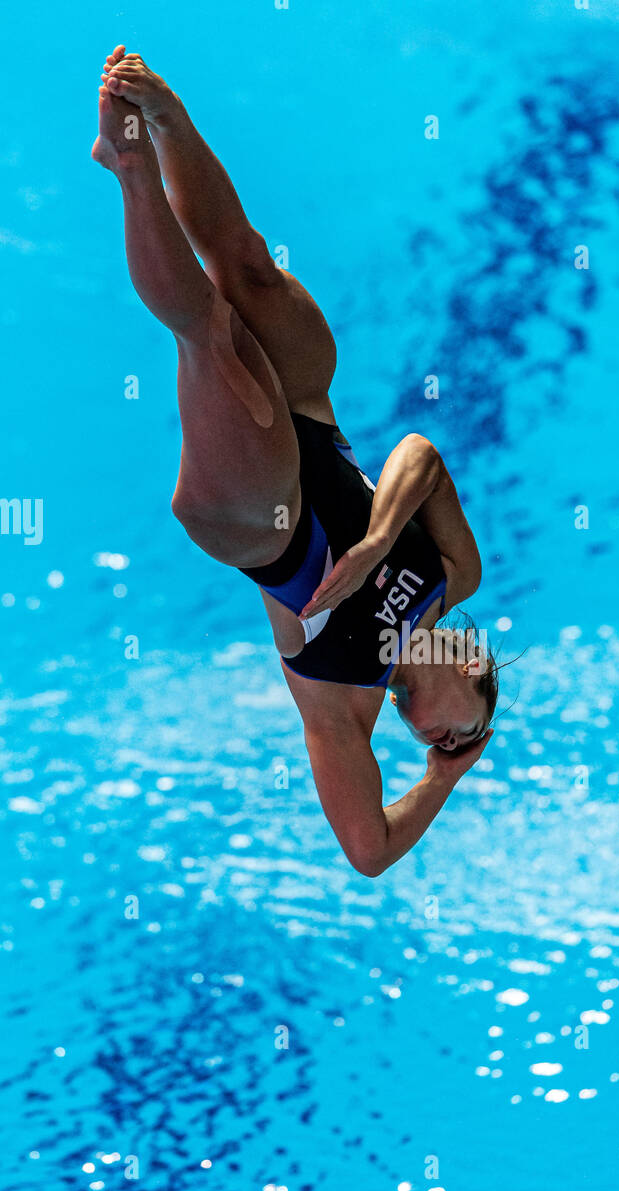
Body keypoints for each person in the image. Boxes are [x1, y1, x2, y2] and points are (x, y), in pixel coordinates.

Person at [93, 47, 498, 876]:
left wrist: (444, 778)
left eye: (444, 745)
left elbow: (370, 850)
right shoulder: (456, 574)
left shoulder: (347, 705)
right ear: (477, 668)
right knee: (247, 267)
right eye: (462, 732)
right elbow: (421, 454)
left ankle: (130, 165)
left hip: (258, 523)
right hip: (315, 423)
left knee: (213, 335)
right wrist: (380, 546)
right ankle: (166, 122)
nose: (437, 738)